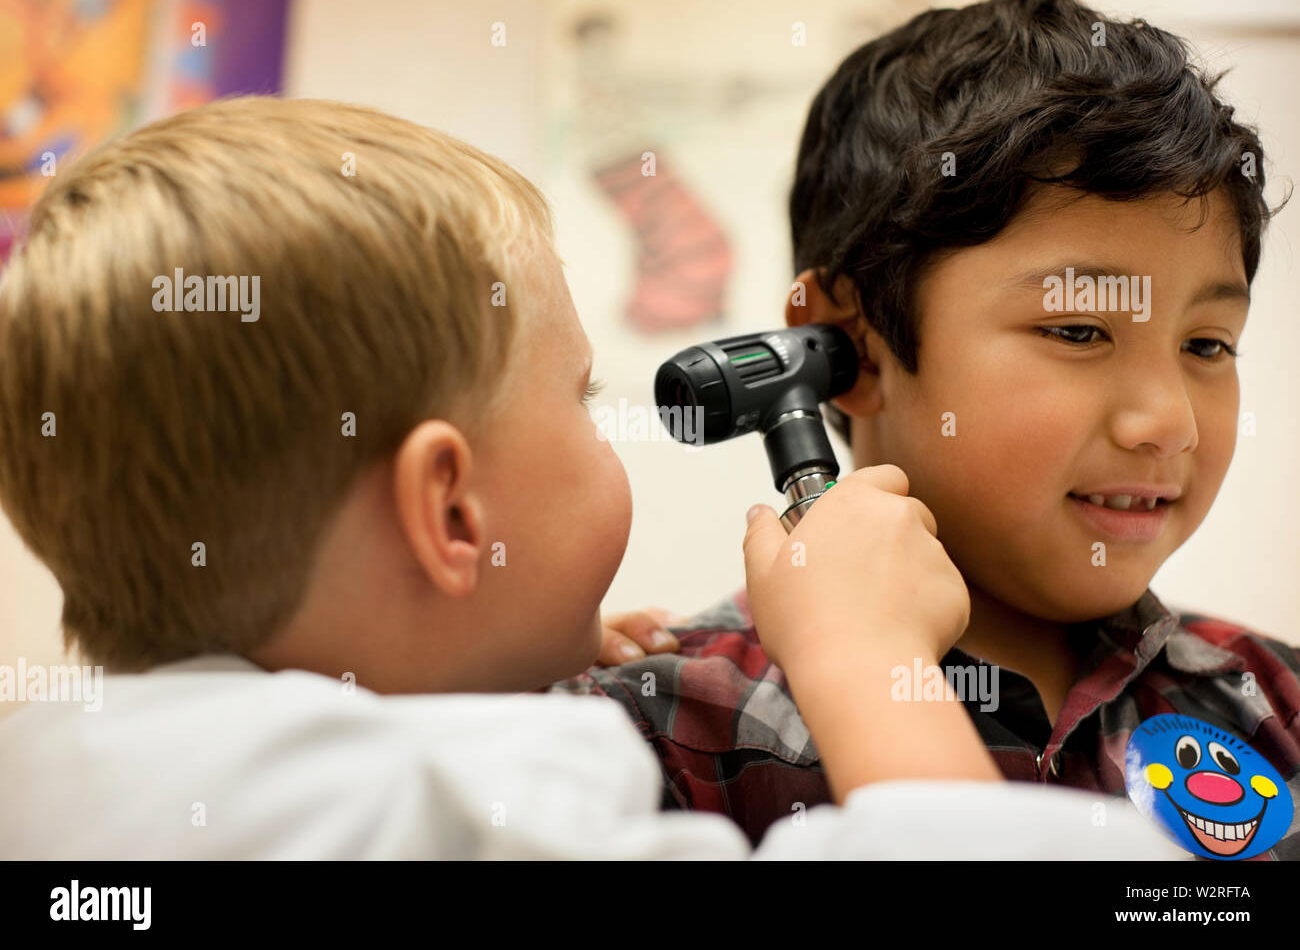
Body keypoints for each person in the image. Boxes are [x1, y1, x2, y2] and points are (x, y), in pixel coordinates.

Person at [0, 94, 1183, 859]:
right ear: (453, 512)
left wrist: (492, 653)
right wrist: (867, 660)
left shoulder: (64, 784)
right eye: (576, 398)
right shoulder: (500, 805)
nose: (1159, 415)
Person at [558, 0, 1300, 861]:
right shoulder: (644, 740)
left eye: (1208, 343)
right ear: (854, 344)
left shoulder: (1277, 705)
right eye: (1077, 331)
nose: (1166, 422)